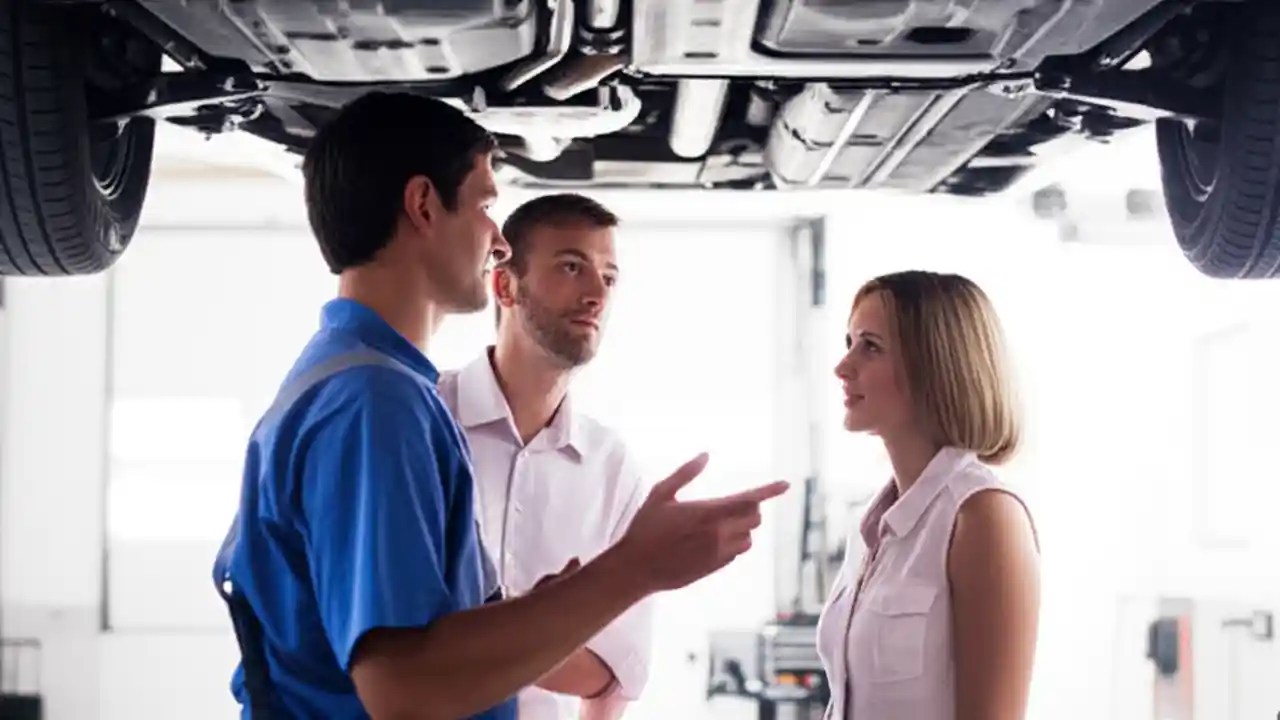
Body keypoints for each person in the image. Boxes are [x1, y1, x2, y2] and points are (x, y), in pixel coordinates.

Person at [210, 91, 789, 720]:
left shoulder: (350, 376)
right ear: (424, 205)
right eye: (485, 206)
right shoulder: (376, 402)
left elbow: (421, 649)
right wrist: (635, 568)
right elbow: (405, 688)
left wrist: (541, 611)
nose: (497, 240)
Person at [437, 193, 650, 720]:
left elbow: (613, 673)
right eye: (572, 267)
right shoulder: (423, 420)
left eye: (609, 277)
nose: (596, 295)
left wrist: (481, 633)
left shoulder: (612, 468)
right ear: (504, 285)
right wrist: (553, 625)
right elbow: (395, 629)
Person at [816, 270, 1040, 720]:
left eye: (870, 347)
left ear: (934, 366)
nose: (843, 367)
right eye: (849, 343)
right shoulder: (872, 530)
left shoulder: (983, 516)